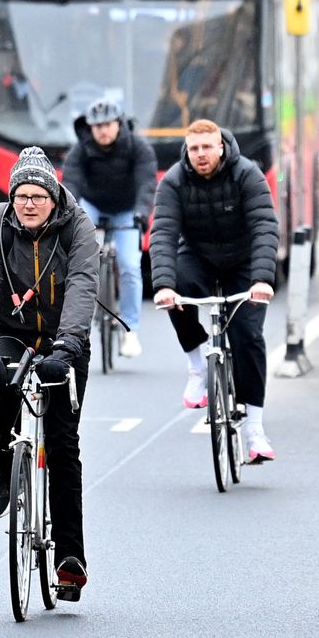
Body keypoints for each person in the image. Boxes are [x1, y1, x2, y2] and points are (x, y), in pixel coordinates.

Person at [0, 146, 99, 601]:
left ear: (52, 195)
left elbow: (82, 286)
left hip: (64, 339)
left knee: (61, 445)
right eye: (20, 195)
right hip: (10, 332)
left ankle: (70, 559)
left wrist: (68, 347)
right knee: (4, 386)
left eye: (37, 195)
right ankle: (5, 465)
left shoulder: (77, 225)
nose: (28, 203)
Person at [149, 118, 278, 462]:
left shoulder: (247, 174)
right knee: (176, 289)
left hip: (244, 258)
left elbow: (265, 225)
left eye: (207, 147)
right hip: (199, 255)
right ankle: (197, 364)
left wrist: (262, 279)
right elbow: (162, 233)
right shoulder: (174, 181)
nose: (201, 155)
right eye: (194, 149)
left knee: (248, 335)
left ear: (221, 146)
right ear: (186, 151)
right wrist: (163, 286)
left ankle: (254, 430)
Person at [61, 90, 157, 358]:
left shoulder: (139, 148)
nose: (103, 131)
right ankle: (79, 322)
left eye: (108, 125)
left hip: (127, 209)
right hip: (93, 204)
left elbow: (147, 184)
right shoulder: (79, 151)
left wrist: (140, 214)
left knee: (129, 265)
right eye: (97, 127)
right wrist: (71, 215)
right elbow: (71, 185)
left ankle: (130, 331)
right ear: (90, 128)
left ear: (119, 123)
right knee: (80, 259)